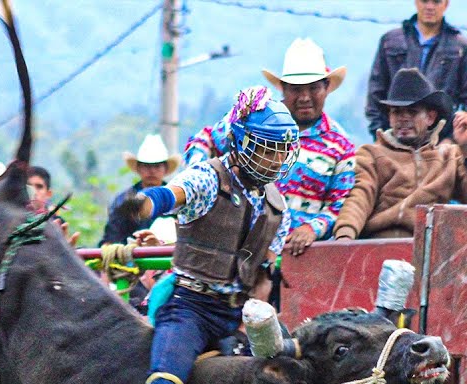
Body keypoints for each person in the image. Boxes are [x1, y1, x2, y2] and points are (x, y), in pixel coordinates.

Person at [55, 87, 298, 384]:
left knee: (286, 378)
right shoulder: (208, 177)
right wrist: (146, 203)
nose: (275, 160)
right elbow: (172, 196)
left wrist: (254, 317)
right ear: (241, 145)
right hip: (189, 307)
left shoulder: (278, 204)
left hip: (235, 313)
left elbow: (263, 274)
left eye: (281, 151)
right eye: (267, 149)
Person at [186, 38, 355, 255]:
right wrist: (197, 181)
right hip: (240, 246)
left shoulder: (341, 145)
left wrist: (311, 228)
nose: (305, 97)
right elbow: (205, 140)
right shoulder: (253, 120)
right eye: (296, 89)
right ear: (283, 89)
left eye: (313, 88)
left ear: (326, 88)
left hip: (299, 255)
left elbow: (339, 205)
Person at [335, 68, 467, 241]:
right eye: (396, 112)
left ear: (430, 117)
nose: (403, 118)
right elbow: (359, 197)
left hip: (434, 250)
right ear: (389, 117)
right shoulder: (372, 155)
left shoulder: (449, 156)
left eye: (412, 112)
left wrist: (464, 148)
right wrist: (345, 235)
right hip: (381, 246)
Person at [365, 0, 467, 140]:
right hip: (395, 137)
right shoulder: (390, 41)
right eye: (424, 1)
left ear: (446, 4)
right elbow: (375, 94)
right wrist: (382, 137)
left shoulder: (459, 46)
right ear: (416, 2)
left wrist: (451, 141)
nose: (430, 6)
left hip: (442, 142)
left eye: (436, 1)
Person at [102, 135, 180, 246]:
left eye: (157, 166)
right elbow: (111, 238)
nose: (152, 171)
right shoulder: (123, 201)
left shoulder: (177, 198)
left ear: (165, 169)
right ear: (138, 168)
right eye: (147, 166)